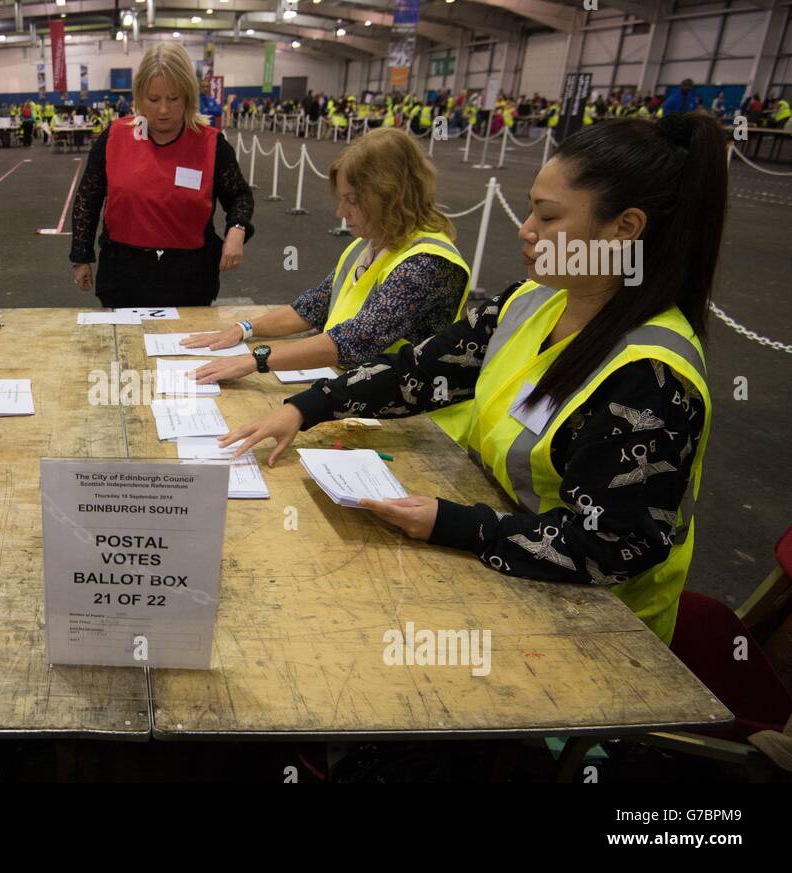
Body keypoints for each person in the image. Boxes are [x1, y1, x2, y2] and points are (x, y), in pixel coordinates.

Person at [223, 113, 725, 644]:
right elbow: (418, 370)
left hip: (594, 624)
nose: (526, 229)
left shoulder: (653, 376)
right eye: (530, 209)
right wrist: (306, 407)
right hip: (506, 555)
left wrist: (455, 524)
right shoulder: (532, 301)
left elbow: (606, 546)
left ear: (624, 228)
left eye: (548, 217)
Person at [180, 129, 468, 384]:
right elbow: (311, 307)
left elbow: (355, 340)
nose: (341, 213)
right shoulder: (371, 243)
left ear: (390, 197)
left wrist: (256, 359)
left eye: (352, 201)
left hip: (416, 420)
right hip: (356, 388)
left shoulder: (427, 264)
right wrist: (244, 328)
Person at [70, 42, 254, 308]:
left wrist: (237, 231)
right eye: (153, 100)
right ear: (139, 96)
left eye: (174, 98)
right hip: (123, 276)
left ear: (189, 96)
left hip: (190, 279)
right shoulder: (114, 138)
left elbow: (240, 196)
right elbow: (87, 198)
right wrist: (81, 256)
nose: (164, 110)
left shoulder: (212, 144)